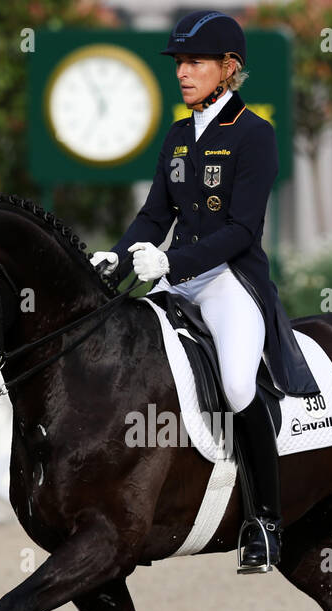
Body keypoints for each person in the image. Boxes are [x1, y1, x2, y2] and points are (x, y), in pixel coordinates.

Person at [91, 10, 319, 573]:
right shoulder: (176, 134)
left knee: (240, 385)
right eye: (179, 63)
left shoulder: (254, 134)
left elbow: (242, 230)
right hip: (176, 277)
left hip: (228, 280)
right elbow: (153, 215)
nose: (183, 72)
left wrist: (172, 259)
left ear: (228, 68)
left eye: (194, 62)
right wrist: (114, 261)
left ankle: (265, 521)